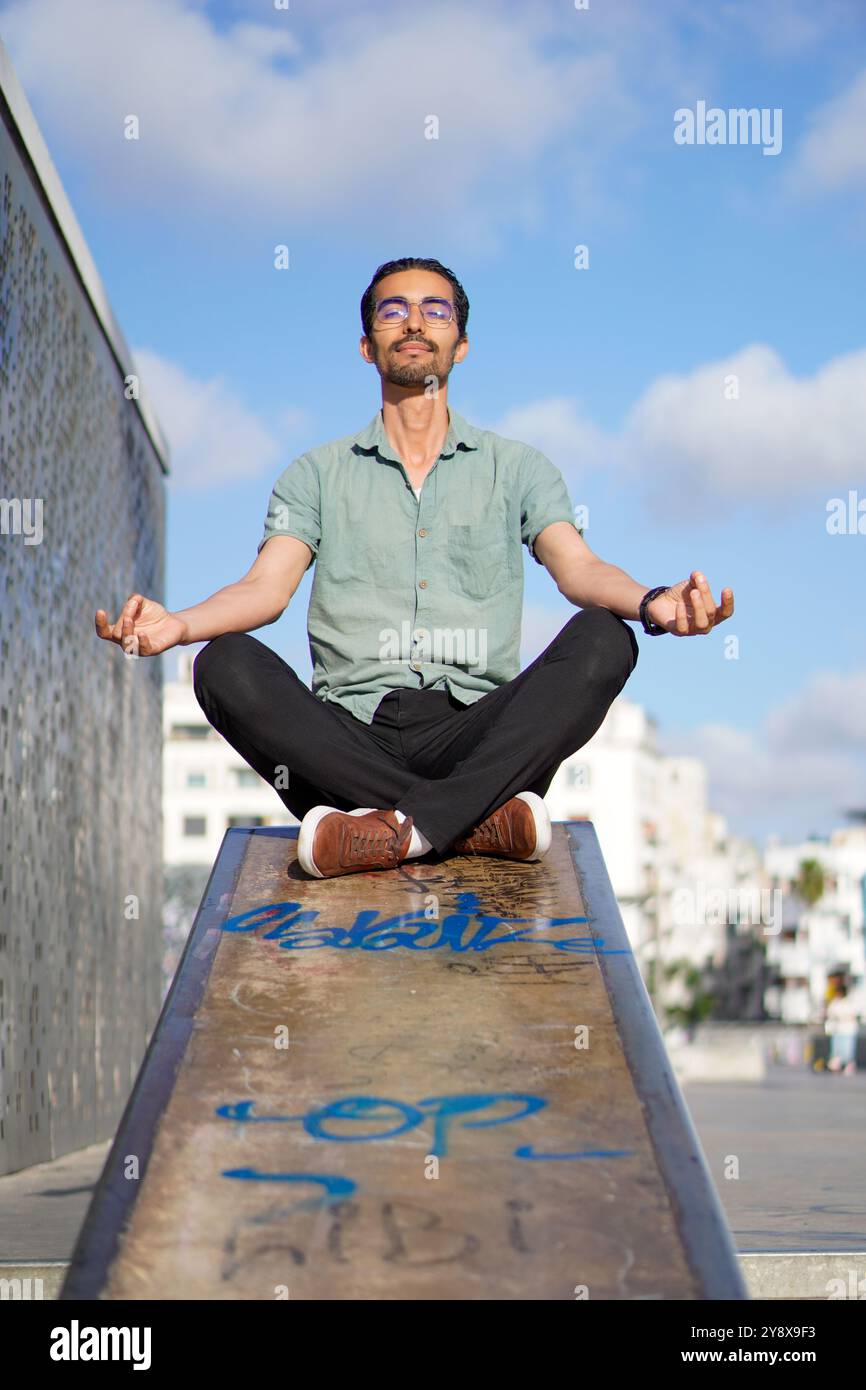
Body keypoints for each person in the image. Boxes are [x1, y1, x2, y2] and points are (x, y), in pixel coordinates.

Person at [96, 256, 734, 879]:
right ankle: (473, 821)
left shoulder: (518, 468)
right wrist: (180, 625)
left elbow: (578, 569)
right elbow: (266, 588)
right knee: (223, 661)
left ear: (460, 345)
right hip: (350, 739)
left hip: (479, 735)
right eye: (392, 310)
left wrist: (652, 602)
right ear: (367, 346)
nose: (414, 322)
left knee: (605, 636)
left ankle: (398, 830)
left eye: (436, 309)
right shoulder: (315, 474)